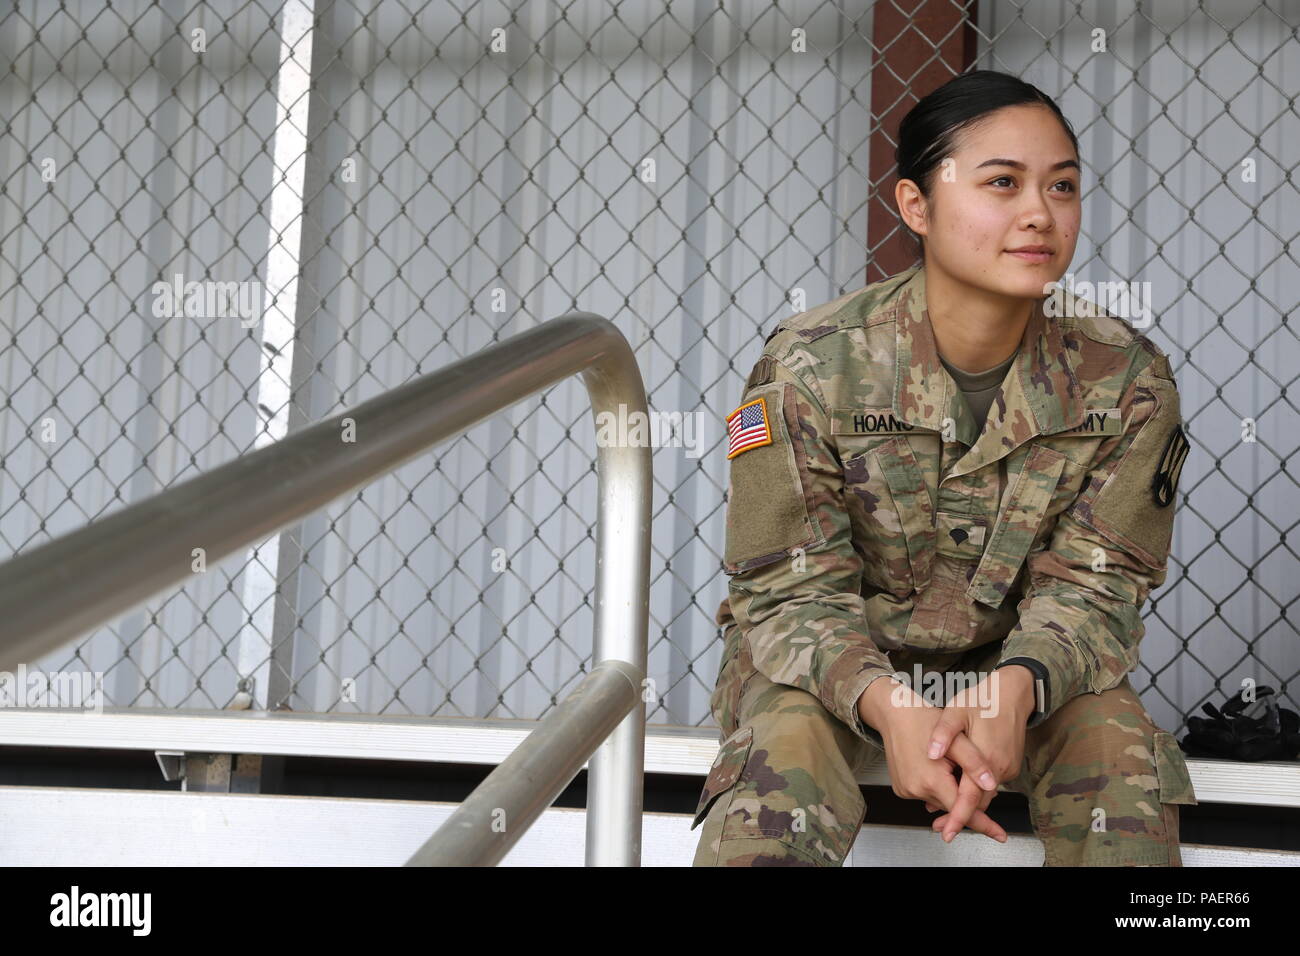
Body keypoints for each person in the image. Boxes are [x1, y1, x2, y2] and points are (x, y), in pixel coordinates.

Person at [692, 70, 1196, 867]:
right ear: (916, 207)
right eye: (1002, 183)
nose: (1040, 213)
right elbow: (788, 591)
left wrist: (1016, 686)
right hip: (832, 671)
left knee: (1116, 751)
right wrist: (893, 710)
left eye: (1062, 186)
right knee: (782, 754)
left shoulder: (1125, 378)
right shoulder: (814, 366)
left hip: (1021, 667)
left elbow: (1098, 588)